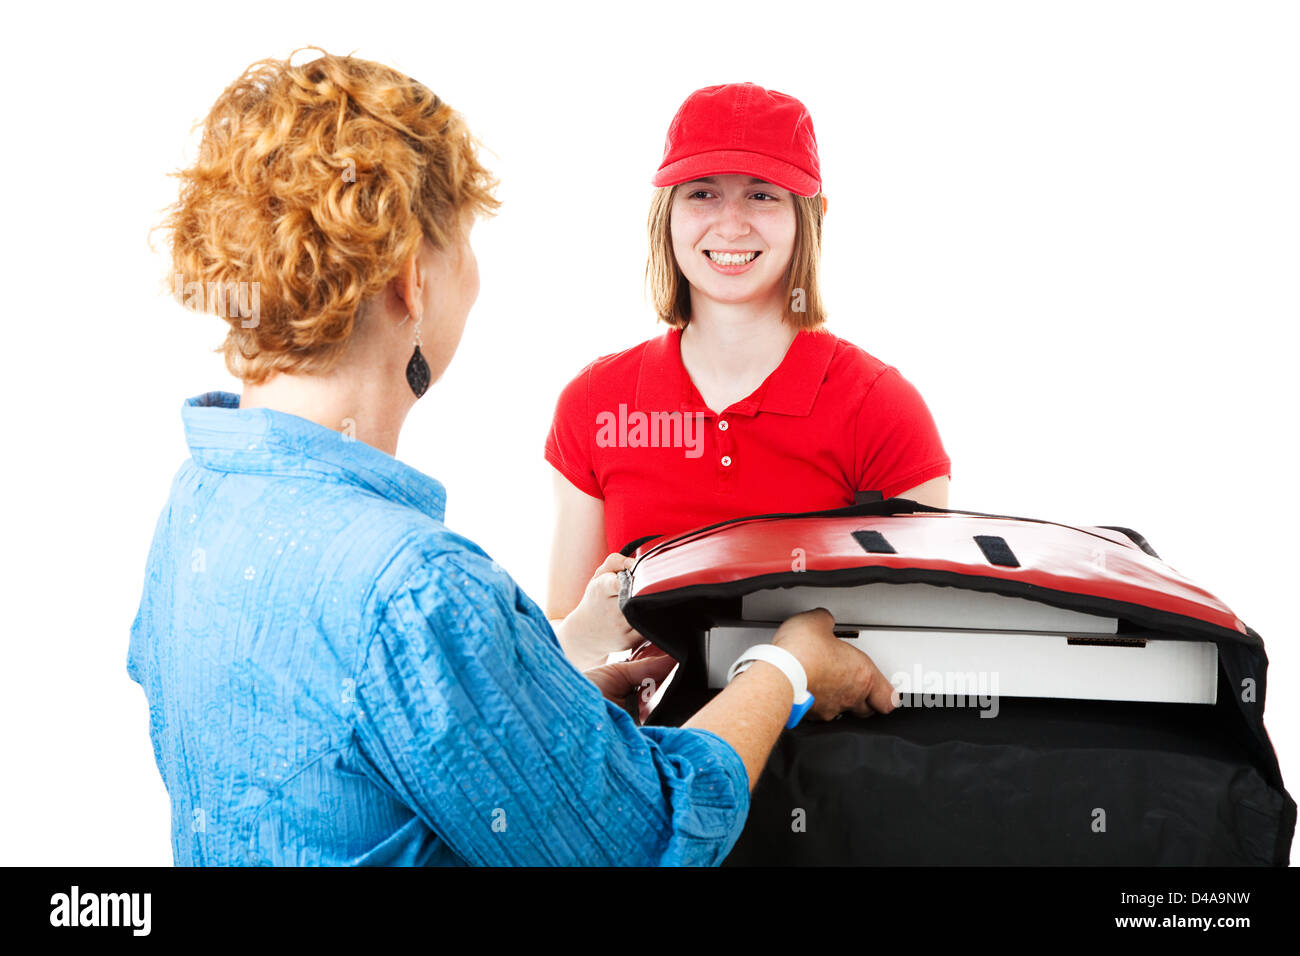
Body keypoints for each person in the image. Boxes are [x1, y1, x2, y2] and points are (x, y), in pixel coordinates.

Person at [128, 50, 895, 867]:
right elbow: (647, 839)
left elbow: (361, 747)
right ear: (409, 282)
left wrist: (542, 696)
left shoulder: (199, 500)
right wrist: (786, 666)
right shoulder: (417, 586)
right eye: (461, 243)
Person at [546, 82, 952, 673]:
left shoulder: (881, 406)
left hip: (821, 751)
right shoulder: (594, 403)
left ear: (808, 218)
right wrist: (586, 637)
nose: (731, 225)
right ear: (668, 215)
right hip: (647, 753)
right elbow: (565, 642)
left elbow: (931, 640)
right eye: (703, 194)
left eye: (762, 195)